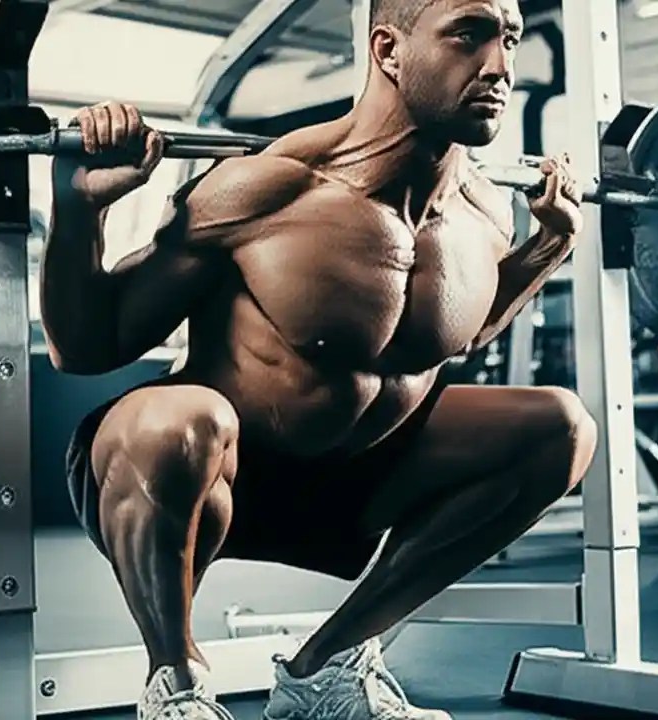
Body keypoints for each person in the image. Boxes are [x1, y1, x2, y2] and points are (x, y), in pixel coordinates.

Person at [42, 0, 596, 717]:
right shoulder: (271, 186)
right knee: (178, 420)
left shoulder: (485, 212)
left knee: (562, 426)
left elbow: (457, 330)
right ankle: (173, 682)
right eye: (470, 34)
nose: (500, 66)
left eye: (511, 40)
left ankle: (325, 670)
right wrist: (79, 210)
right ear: (389, 51)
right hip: (209, 477)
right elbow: (87, 347)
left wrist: (547, 249)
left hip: (354, 488)